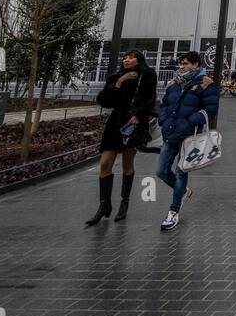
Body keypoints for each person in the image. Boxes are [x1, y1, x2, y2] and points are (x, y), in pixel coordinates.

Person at [87, 48, 157, 225]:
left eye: (131, 57)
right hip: (115, 122)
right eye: (125, 58)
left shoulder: (147, 75)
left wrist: (137, 114)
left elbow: (149, 99)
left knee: (127, 163)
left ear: (139, 59)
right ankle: (104, 204)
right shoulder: (116, 77)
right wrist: (119, 82)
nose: (126, 60)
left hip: (133, 122)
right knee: (105, 163)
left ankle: (124, 203)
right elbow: (104, 100)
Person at [156, 51, 219, 232]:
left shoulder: (205, 84)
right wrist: (164, 120)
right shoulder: (173, 84)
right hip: (170, 133)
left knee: (181, 171)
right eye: (181, 63)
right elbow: (164, 105)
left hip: (190, 136)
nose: (181, 66)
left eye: (185, 63)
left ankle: (173, 212)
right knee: (161, 171)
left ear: (196, 65)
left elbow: (211, 108)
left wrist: (190, 122)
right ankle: (183, 191)